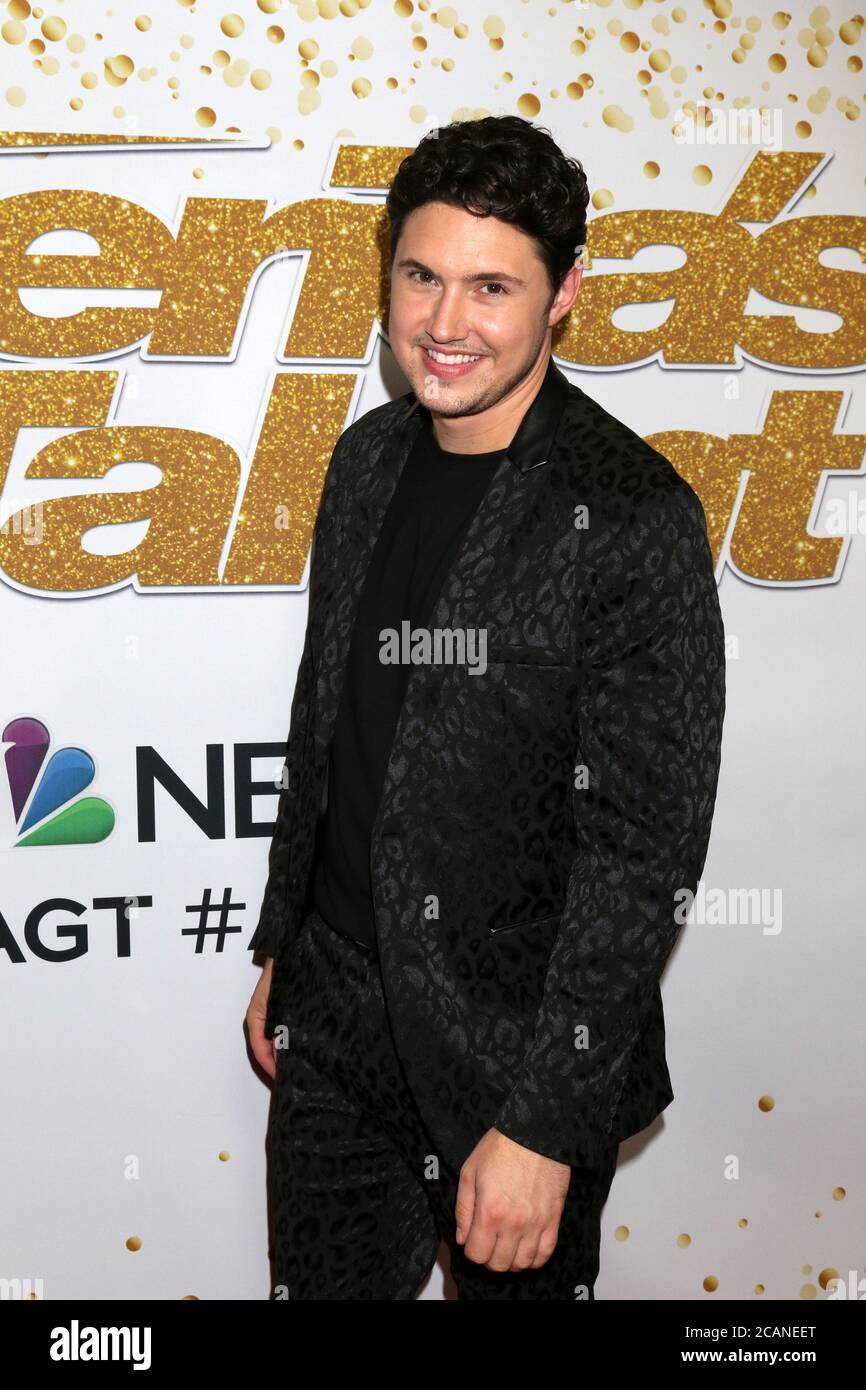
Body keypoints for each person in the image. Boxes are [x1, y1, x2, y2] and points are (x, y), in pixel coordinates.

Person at [245, 114, 726, 1300]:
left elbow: (638, 853)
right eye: (419, 276)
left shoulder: (627, 517)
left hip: (515, 1050)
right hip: (337, 1014)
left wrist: (546, 1124)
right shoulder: (362, 462)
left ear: (563, 295)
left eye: (488, 286)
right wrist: (285, 943)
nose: (443, 324)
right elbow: (328, 725)